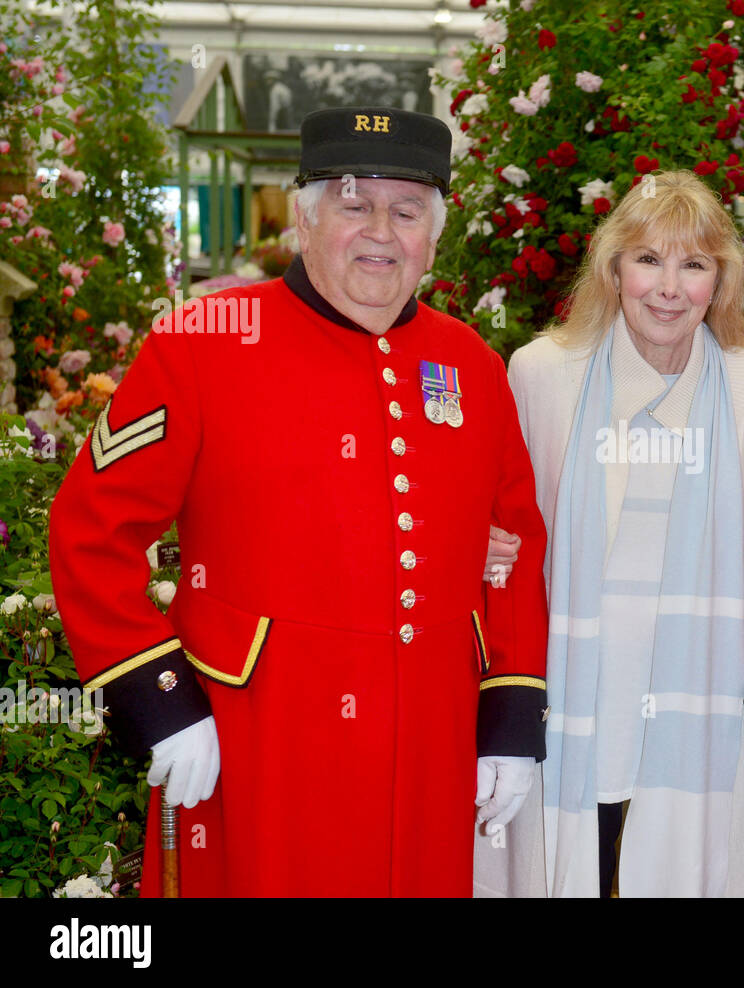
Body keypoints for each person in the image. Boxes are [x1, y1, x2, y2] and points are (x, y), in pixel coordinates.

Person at [48, 106, 549, 897]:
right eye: (354, 205)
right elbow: (90, 528)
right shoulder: (205, 340)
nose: (381, 231)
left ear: (433, 235)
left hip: (428, 747)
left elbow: (515, 548)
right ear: (306, 219)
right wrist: (159, 695)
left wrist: (511, 716)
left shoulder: (472, 365)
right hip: (258, 744)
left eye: (407, 210)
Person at [474, 171, 744, 897]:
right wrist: (477, 541)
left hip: (703, 704)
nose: (669, 287)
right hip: (574, 698)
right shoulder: (543, 375)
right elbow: (501, 512)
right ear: (614, 269)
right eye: (649, 259)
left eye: (694, 264)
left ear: (722, 280)